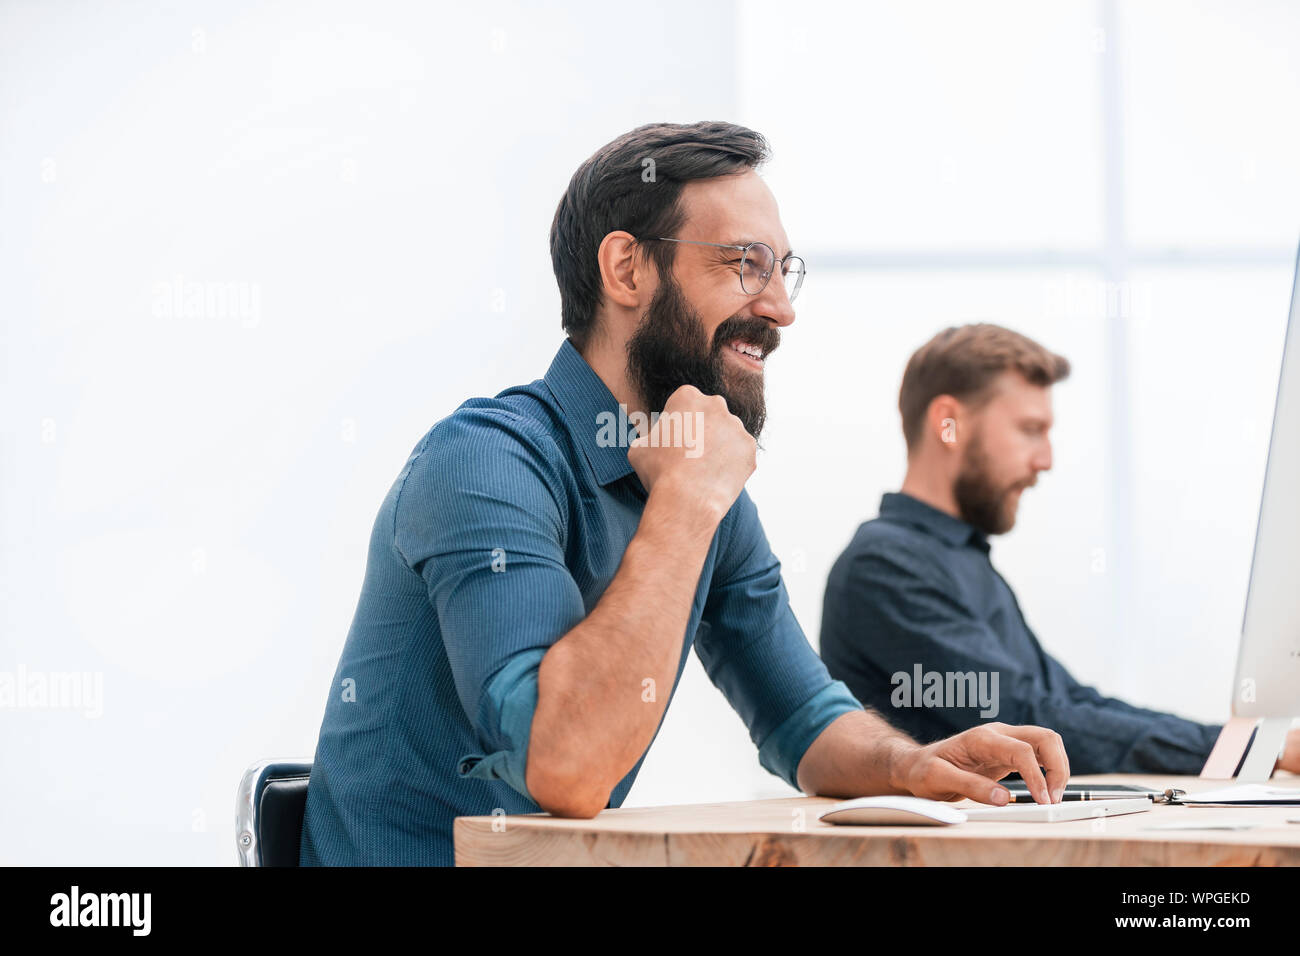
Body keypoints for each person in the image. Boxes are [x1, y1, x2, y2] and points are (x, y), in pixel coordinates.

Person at [299, 124, 1068, 866]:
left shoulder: (698, 486)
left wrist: (912, 765)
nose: (780, 308)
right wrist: (686, 504)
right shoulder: (484, 462)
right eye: (744, 264)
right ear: (627, 270)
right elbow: (563, 767)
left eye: (784, 271)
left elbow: (805, 719)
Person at [820, 323, 1300, 776]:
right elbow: (1027, 718)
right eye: (1030, 429)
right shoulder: (884, 567)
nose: (1045, 460)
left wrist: (1251, 746)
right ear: (949, 424)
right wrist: (1256, 749)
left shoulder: (960, 560)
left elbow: (1070, 700)